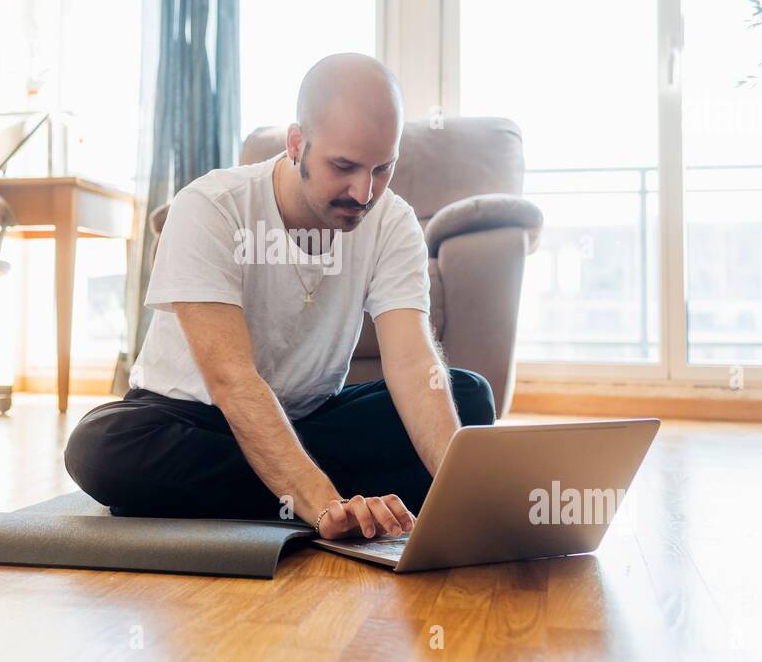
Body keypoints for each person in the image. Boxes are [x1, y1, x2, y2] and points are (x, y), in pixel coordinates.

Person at [64, 53, 495, 540]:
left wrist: (465, 495)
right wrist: (324, 505)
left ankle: (269, 493)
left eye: (382, 169)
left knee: (468, 397)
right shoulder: (210, 207)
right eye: (344, 166)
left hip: (311, 420)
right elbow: (232, 381)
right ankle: (326, 496)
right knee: (99, 449)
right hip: (195, 421)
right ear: (297, 144)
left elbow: (414, 366)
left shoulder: (391, 222)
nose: (363, 192)